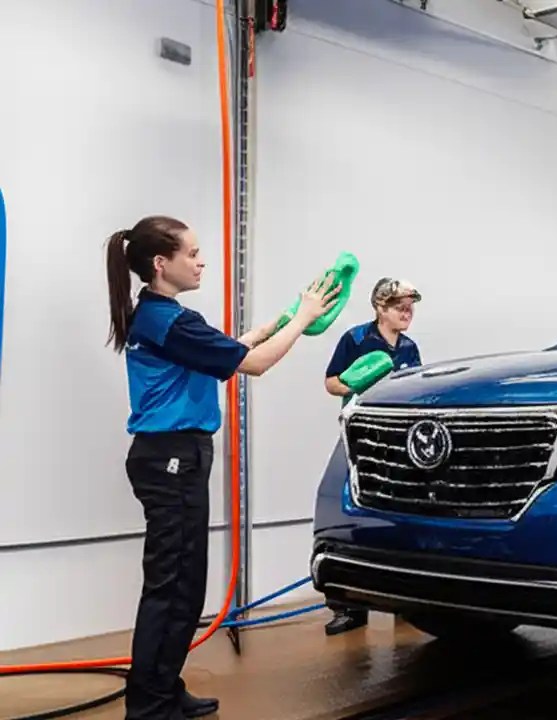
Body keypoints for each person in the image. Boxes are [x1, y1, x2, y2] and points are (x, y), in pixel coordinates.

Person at [106, 215, 340, 719]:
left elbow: (235, 346)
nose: (202, 260)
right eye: (191, 253)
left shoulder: (160, 314)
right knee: (172, 588)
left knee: (183, 585)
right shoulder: (170, 320)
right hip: (171, 459)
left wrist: (282, 320)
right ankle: (149, 707)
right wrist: (303, 319)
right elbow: (252, 364)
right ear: (161, 264)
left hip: (173, 457)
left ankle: (164, 690)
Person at [320, 276, 422, 635]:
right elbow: (331, 382)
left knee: (404, 517)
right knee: (348, 516)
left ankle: (406, 600)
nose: (407, 310)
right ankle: (347, 607)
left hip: (399, 440)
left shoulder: (410, 347)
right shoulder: (357, 339)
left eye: (410, 304)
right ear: (380, 307)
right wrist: (355, 384)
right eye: (399, 305)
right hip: (361, 438)